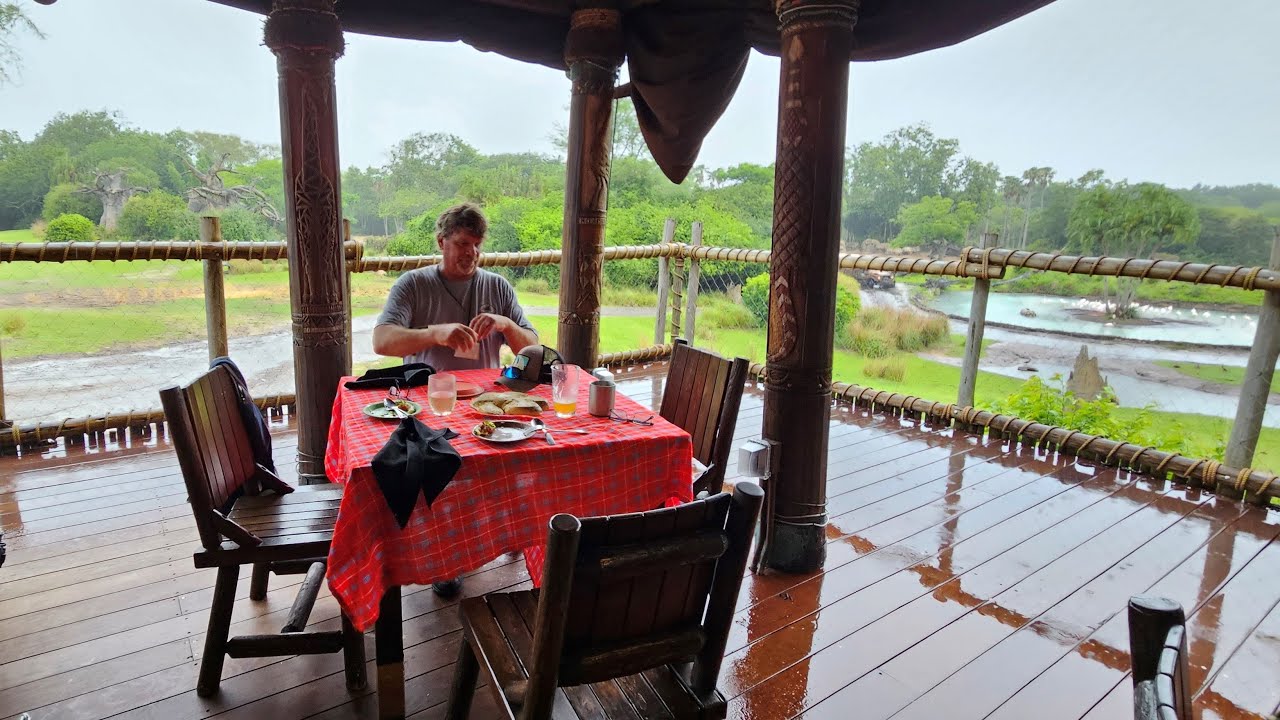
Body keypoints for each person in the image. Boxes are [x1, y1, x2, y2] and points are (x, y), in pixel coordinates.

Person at [371, 202, 539, 596]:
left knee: (514, 455)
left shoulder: (496, 286)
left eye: (477, 245)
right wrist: (434, 333)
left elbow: (533, 348)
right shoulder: (414, 284)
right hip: (429, 403)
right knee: (438, 468)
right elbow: (381, 341)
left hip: (485, 403)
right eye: (463, 243)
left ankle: (510, 533)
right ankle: (446, 557)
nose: (471, 254)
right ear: (441, 241)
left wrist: (505, 324)